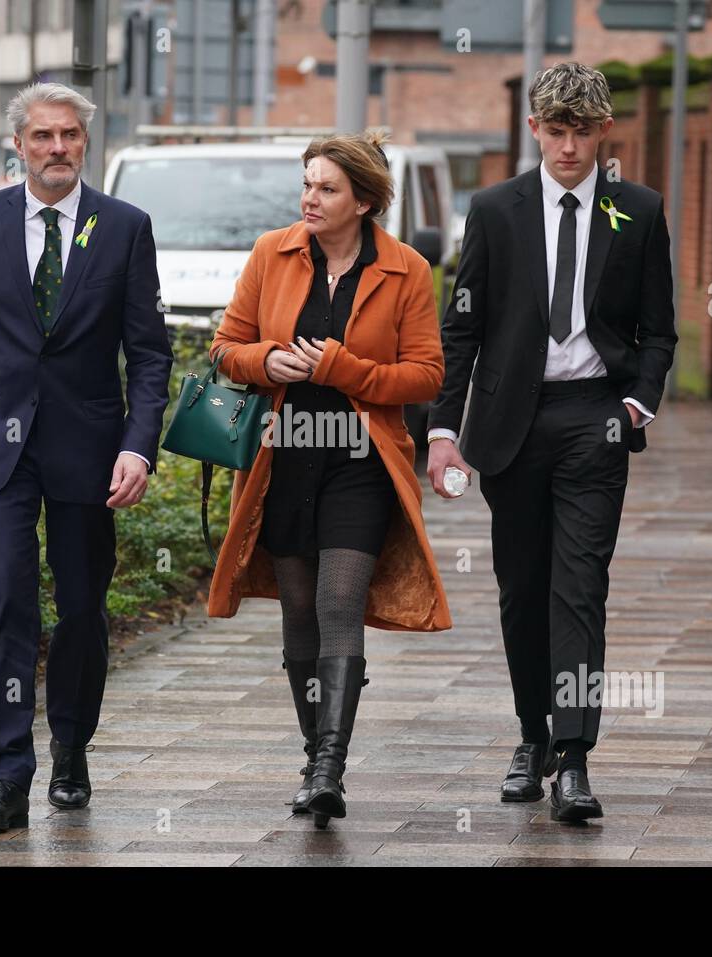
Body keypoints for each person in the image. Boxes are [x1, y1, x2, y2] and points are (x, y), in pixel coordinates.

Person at [0, 82, 172, 834]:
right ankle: (5, 775)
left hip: (90, 450)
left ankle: (70, 743)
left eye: (69, 136)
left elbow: (149, 355)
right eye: (42, 137)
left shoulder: (124, 226)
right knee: (5, 601)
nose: (57, 148)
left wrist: (138, 447)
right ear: (18, 145)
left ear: (84, 143)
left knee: (83, 607)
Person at [427, 62, 676, 823]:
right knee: (521, 591)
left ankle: (574, 757)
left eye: (582, 131)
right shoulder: (495, 210)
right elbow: (463, 324)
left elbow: (659, 329)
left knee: (580, 588)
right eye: (555, 130)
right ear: (534, 129)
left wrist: (637, 402)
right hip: (512, 426)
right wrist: (442, 430)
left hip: (596, 418)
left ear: (605, 132)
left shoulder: (638, 210)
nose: (568, 146)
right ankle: (530, 737)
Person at [206, 130, 452, 826]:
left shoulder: (406, 270)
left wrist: (346, 370)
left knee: (340, 600)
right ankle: (316, 751)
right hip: (284, 458)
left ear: (364, 201)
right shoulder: (271, 253)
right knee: (299, 610)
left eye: (327, 188)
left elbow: (427, 374)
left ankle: (328, 765)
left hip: (361, 461)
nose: (310, 198)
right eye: (308, 184)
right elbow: (226, 347)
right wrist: (266, 361)